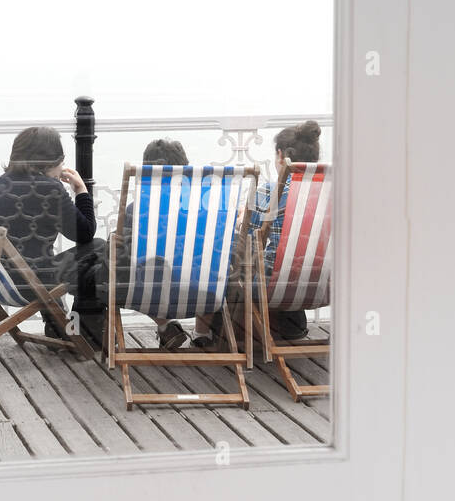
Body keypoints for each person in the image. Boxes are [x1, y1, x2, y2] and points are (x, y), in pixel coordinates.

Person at [0, 126, 105, 344]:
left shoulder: (3, 182)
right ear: (51, 161)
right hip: (31, 284)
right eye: (61, 162)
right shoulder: (51, 189)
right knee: (100, 247)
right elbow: (85, 234)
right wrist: (81, 190)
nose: (62, 168)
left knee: (43, 261)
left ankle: (59, 325)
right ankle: (82, 331)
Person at [194, 120, 323, 348]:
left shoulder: (270, 191)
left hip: (276, 285)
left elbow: (248, 245)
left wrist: (240, 222)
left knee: (223, 253)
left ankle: (204, 333)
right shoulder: (335, 191)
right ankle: (291, 326)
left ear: (281, 156)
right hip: (325, 283)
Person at [112, 138, 192, 349]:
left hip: (152, 292)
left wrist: (115, 239)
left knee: (113, 272)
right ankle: (203, 335)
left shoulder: (137, 209)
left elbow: (126, 256)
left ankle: (164, 325)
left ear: (146, 172)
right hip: (203, 290)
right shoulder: (203, 209)